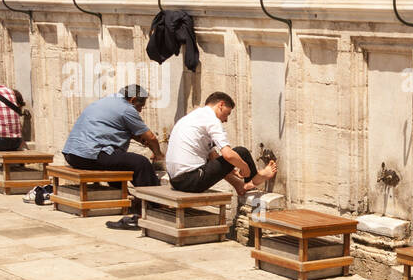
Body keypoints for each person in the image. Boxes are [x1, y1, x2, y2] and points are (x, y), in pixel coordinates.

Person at [63, 84, 164, 226]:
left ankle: (127, 197)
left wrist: (140, 139)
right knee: (141, 163)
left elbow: (119, 129)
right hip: (90, 154)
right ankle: (153, 205)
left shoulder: (107, 101)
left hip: (73, 154)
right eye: (140, 106)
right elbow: (151, 138)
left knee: (118, 160)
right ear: (133, 99)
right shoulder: (127, 109)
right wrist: (159, 155)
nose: (140, 111)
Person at [164, 91, 276, 197]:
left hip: (176, 181)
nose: (226, 120)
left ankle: (239, 185)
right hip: (192, 181)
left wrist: (231, 170)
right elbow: (228, 155)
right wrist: (244, 167)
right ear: (221, 105)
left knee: (214, 158)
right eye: (227, 114)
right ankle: (252, 182)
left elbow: (213, 157)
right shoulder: (212, 120)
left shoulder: (192, 117)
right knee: (241, 152)